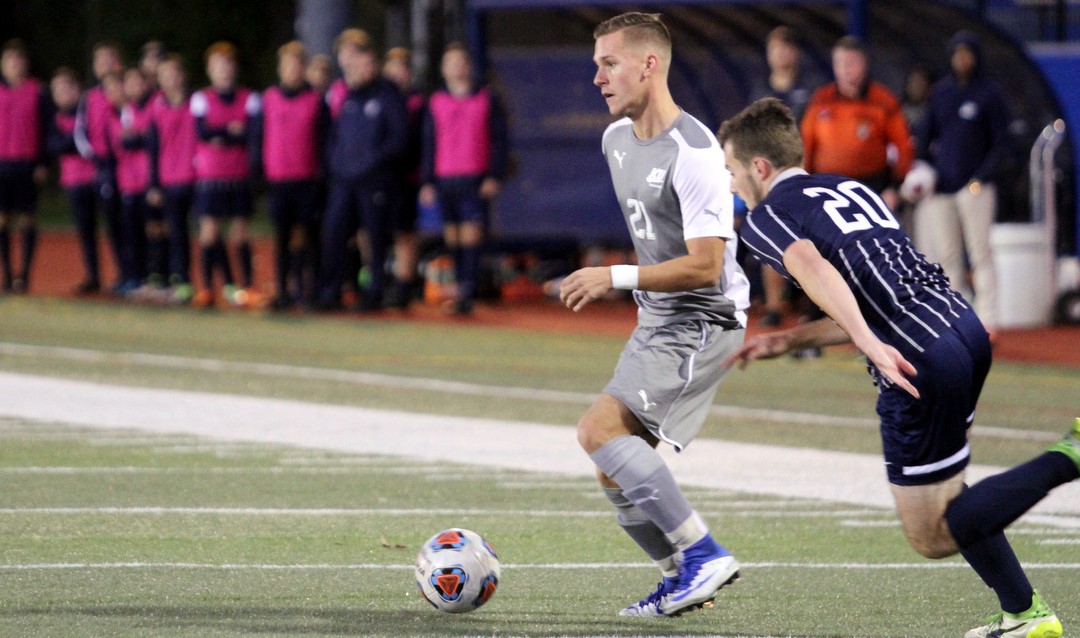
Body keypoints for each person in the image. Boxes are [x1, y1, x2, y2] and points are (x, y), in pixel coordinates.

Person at [719, 97, 1076, 638]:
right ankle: (1026, 613)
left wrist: (869, 343)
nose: (729, 184)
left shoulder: (766, 215)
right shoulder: (852, 188)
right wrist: (792, 340)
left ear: (760, 168)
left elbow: (814, 269)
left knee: (931, 534)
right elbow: (873, 290)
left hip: (915, 357)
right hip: (961, 327)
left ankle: (1069, 456)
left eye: (731, 171)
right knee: (950, 496)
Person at [559, 12, 749, 618]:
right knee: (613, 470)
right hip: (661, 316)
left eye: (608, 63)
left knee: (597, 431)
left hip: (703, 317)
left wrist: (611, 276)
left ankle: (704, 554)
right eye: (596, 64)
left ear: (650, 65)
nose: (597, 77)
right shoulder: (616, 139)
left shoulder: (695, 152)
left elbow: (704, 267)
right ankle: (679, 577)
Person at [912, 31, 1010, 338]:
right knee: (948, 257)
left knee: (980, 254)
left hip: (975, 188)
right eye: (957, 54)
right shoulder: (941, 92)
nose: (962, 60)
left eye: (967, 53)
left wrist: (981, 178)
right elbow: (925, 135)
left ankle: (988, 321)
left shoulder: (989, 94)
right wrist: (924, 171)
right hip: (942, 190)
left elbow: (1003, 142)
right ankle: (957, 321)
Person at [316, 29, 407, 312]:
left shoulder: (386, 95)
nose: (358, 67)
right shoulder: (348, 97)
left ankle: (374, 291)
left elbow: (399, 138)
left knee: (374, 238)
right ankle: (331, 291)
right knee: (334, 233)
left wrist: (373, 162)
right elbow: (334, 136)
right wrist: (336, 163)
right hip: (344, 180)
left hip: (374, 181)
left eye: (363, 61)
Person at [420, 42, 509, 315]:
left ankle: (468, 291)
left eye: (461, 62)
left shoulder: (486, 98)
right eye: (451, 63)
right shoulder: (436, 101)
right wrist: (428, 180)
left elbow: (499, 140)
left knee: (472, 234)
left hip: (474, 177)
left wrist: (494, 174)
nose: (457, 68)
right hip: (446, 178)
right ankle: (458, 287)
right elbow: (429, 142)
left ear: (469, 67)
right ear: (443, 69)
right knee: (453, 236)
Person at [746, 26, 823, 328]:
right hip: (769, 177)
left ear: (796, 53)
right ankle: (774, 306)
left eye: (787, 48)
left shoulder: (810, 88)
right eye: (776, 48)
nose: (781, 55)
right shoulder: (759, 90)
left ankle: (812, 307)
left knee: (810, 243)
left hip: (803, 173)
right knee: (771, 239)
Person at [801, 36, 912, 214]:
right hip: (825, 188)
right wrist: (802, 186)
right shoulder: (821, 99)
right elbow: (805, 145)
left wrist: (894, 188)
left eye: (851, 62)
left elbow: (903, 147)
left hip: (871, 189)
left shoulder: (883, 100)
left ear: (864, 64)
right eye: (839, 62)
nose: (845, 68)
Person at [189, 41, 263, 308]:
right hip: (211, 176)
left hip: (238, 174)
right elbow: (203, 133)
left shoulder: (249, 98)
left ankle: (248, 286)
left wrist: (222, 133)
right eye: (218, 65)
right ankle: (208, 288)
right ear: (210, 70)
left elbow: (252, 133)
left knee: (240, 233)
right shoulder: (201, 98)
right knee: (209, 233)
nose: (224, 70)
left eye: (228, 65)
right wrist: (230, 131)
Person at [259, 40, 328, 310]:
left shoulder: (315, 100)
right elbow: (259, 137)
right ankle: (283, 290)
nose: (293, 71)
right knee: (282, 238)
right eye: (288, 65)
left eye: (298, 66)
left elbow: (323, 140)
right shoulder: (269, 99)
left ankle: (307, 290)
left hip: (306, 178)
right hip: (278, 179)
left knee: (307, 237)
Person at [74, 41, 126, 295]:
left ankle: (129, 274)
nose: (105, 65)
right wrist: (97, 159)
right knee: (96, 225)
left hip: (126, 169)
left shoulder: (127, 94)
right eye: (100, 60)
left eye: (110, 59)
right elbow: (80, 133)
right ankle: (96, 275)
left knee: (124, 223)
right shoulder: (90, 97)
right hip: (100, 169)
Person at [0, 39, 49, 294]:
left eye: (18, 60)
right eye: (9, 60)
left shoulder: (37, 91)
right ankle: (7, 274)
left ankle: (24, 275)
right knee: (3, 219)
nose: (14, 65)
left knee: (28, 219)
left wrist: (42, 162)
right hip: (2, 164)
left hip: (27, 163)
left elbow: (46, 128)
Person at [148, 53, 198, 303]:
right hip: (170, 180)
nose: (170, 79)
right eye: (164, 74)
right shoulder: (157, 107)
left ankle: (219, 283)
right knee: (176, 233)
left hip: (198, 178)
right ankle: (182, 280)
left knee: (211, 232)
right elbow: (154, 148)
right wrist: (154, 183)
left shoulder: (197, 103)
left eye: (174, 73)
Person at [48, 67, 100, 294]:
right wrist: (74, 139)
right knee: (85, 230)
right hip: (74, 181)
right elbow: (54, 146)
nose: (62, 93)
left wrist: (72, 140)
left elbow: (95, 138)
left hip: (97, 177)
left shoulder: (88, 113)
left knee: (121, 228)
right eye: (57, 89)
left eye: (67, 87)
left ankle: (131, 276)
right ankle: (93, 275)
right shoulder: (56, 118)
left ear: (77, 89)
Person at [383, 46, 425, 310]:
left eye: (403, 68)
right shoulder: (379, 98)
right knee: (371, 232)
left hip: (406, 178)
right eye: (393, 68)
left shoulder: (417, 103)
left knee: (404, 233)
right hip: (379, 178)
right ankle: (378, 279)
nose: (398, 74)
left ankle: (403, 286)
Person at [110, 68, 156, 292]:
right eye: (130, 83)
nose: (134, 87)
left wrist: (139, 138)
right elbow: (124, 142)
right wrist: (140, 137)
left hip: (149, 180)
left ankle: (153, 277)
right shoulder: (125, 111)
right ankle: (134, 277)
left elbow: (150, 139)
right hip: (128, 181)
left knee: (154, 231)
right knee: (132, 233)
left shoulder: (154, 106)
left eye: (139, 82)